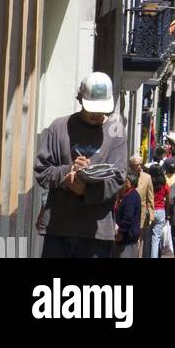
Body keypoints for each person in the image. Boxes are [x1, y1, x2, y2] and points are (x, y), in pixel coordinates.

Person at [34, 72, 127, 259]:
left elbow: (118, 177)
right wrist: (68, 173)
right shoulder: (59, 127)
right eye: (91, 107)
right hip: (59, 228)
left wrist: (84, 190)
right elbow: (42, 170)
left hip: (97, 233)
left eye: (101, 109)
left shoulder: (116, 132)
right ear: (79, 99)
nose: (95, 113)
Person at [129, 154, 154, 256]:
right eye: (136, 165)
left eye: (140, 164)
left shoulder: (147, 178)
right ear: (131, 166)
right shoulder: (127, 176)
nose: (139, 167)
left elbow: (150, 197)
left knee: (138, 239)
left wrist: (151, 215)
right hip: (128, 213)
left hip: (141, 214)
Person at [113, 171, 142, 259]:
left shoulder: (131, 197)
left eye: (125, 181)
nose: (123, 183)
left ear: (129, 182)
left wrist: (121, 232)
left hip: (127, 238)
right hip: (125, 238)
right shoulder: (127, 195)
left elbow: (128, 217)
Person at [149, 164, 169, 259]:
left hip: (149, 211)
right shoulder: (164, 185)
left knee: (146, 237)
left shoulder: (148, 183)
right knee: (156, 238)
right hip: (160, 211)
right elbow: (168, 201)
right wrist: (168, 214)